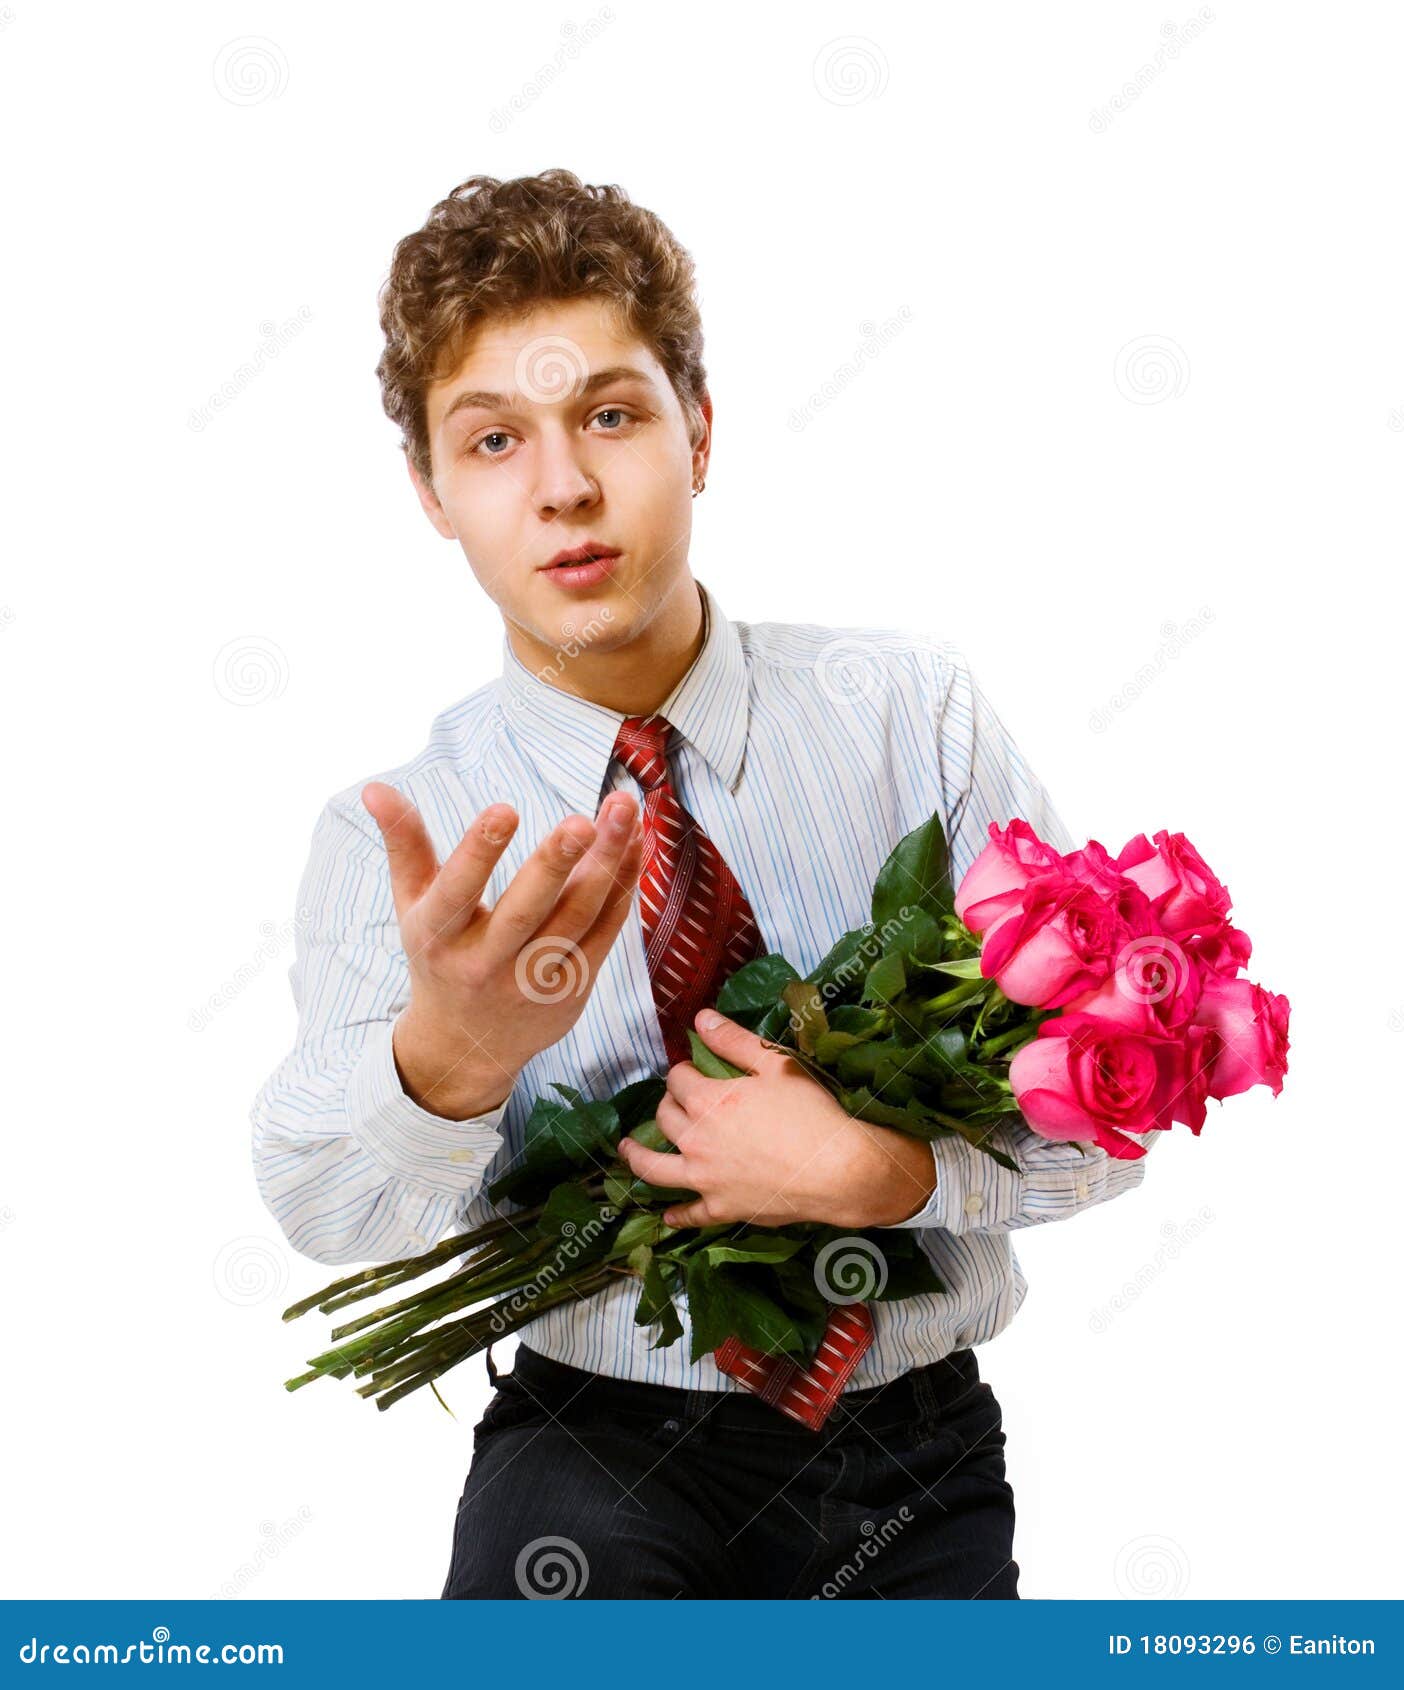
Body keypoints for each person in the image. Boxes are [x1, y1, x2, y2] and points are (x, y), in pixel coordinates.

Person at [250, 169, 1155, 1600]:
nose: (564, 486)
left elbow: (1116, 1105)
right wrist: (450, 1062)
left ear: (703, 428)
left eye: (612, 414)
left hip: (915, 1462)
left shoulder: (910, 717)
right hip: (588, 1452)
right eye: (493, 441)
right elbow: (326, 1211)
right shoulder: (399, 835)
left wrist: (893, 1172)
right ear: (430, 491)